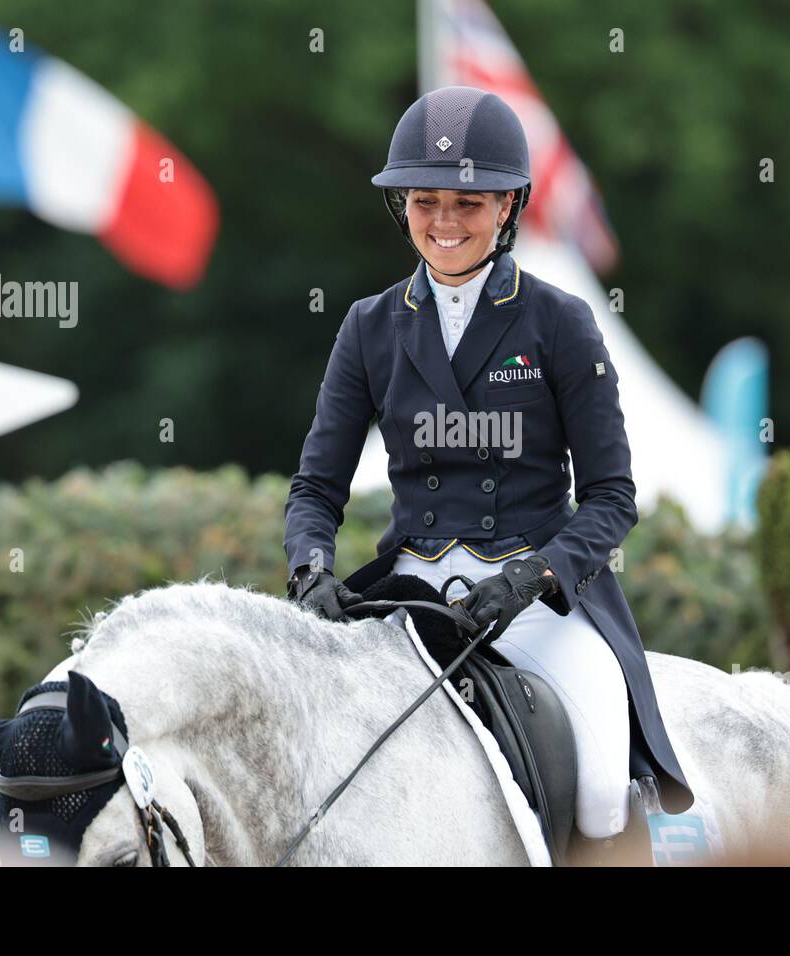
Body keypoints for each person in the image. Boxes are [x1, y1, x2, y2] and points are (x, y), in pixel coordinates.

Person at [283, 85, 693, 846]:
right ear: (402, 203)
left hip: (536, 602)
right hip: (409, 597)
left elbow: (611, 498)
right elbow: (316, 487)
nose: (444, 224)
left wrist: (533, 576)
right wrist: (310, 570)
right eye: (426, 201)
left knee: (604, 789)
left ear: (508, 206)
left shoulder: (560, 323)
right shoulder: (369, 328)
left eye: (468, 204)